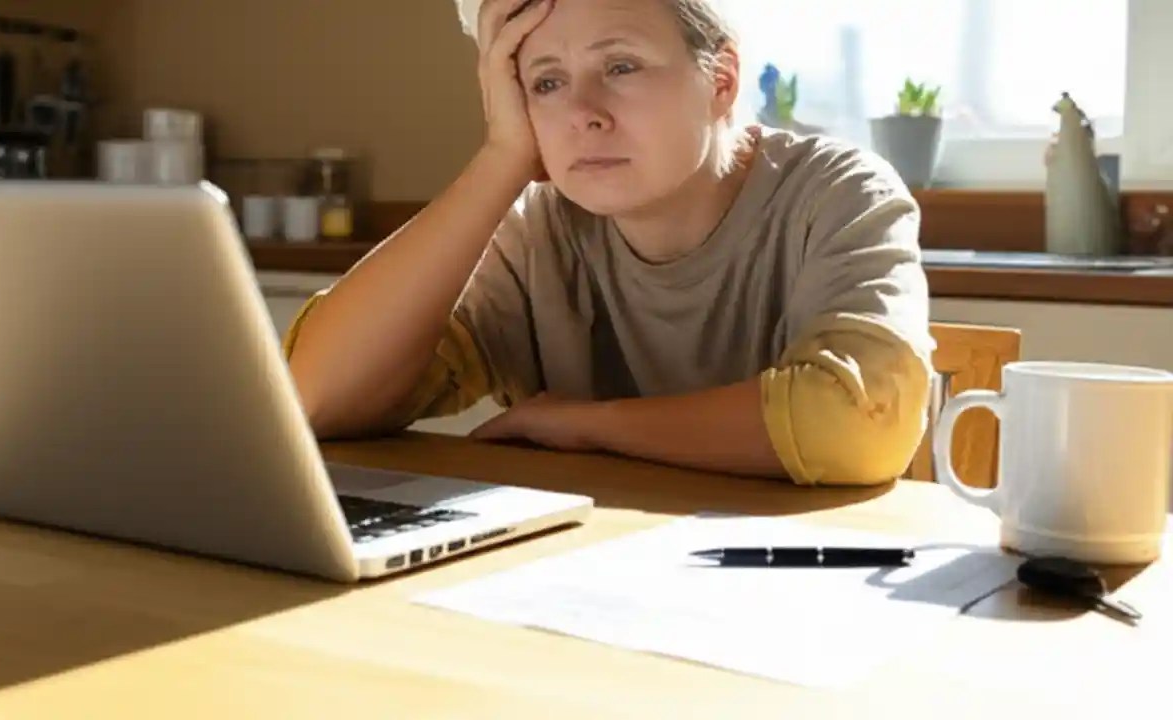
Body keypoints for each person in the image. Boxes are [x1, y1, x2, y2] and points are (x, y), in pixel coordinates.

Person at [283, 0, 934, 486]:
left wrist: (584, 424)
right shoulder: (536, 227)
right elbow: (314, 398)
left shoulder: (839, 193)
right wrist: (503, 158)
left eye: (619, 65)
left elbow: (858, 427)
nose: (582, 112)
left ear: (722, 82)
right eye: (544, 82)